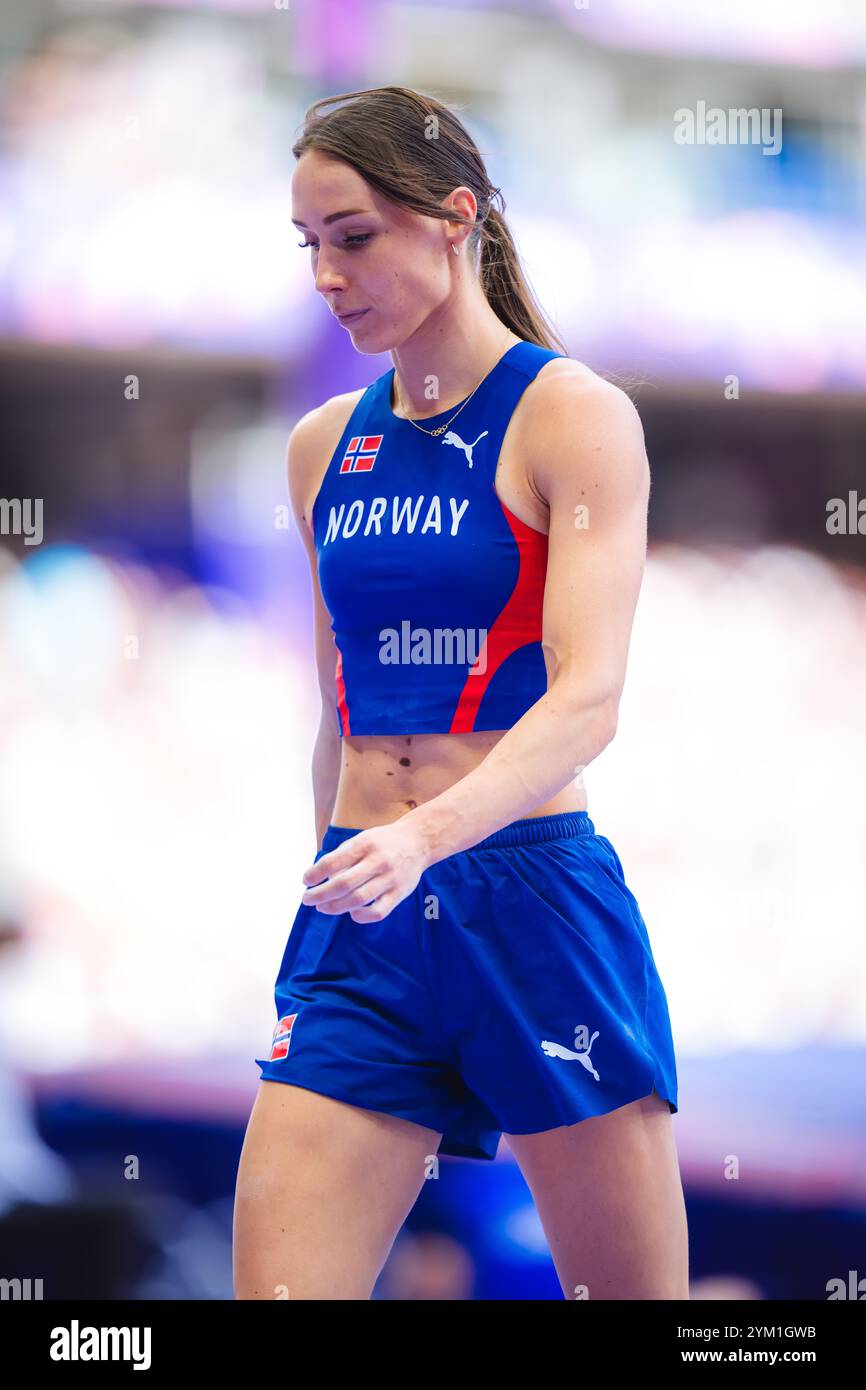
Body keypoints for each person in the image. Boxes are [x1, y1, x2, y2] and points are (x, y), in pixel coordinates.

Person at [234, 86, 688, 1301]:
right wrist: (343, 861)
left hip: (529, 896)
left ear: (454, 218)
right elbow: (336, 708)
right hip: (364, 909)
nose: (325, 276)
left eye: (353, 236)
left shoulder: (572, 416)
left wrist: (423, 840)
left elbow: (587, 702)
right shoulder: (322, 444)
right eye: (309, 246)